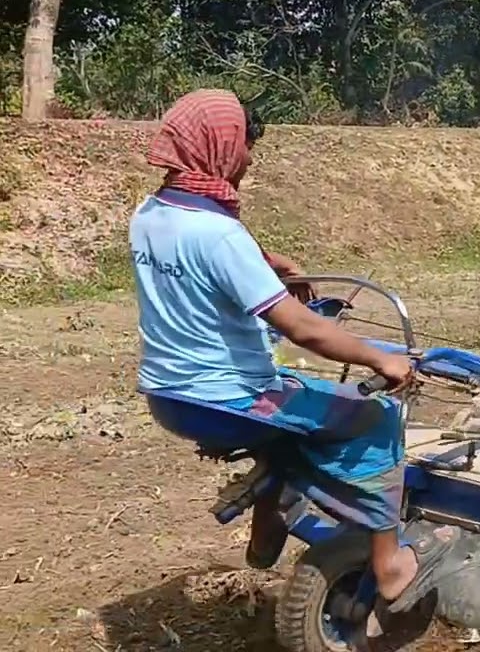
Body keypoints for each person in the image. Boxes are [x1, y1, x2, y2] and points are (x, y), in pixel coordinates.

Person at [130, 89, 454, 616]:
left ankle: (264, 537)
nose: (248, 160)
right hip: (229, 400)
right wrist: (382, 360)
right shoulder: (218, 236)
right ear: (221, 147)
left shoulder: (149, 213)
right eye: (245, 148)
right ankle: (391, 566)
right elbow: (303, 328)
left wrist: (263, 260)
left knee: (293, 430)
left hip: (168, 397)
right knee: (375, 418)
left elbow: (198, 255)